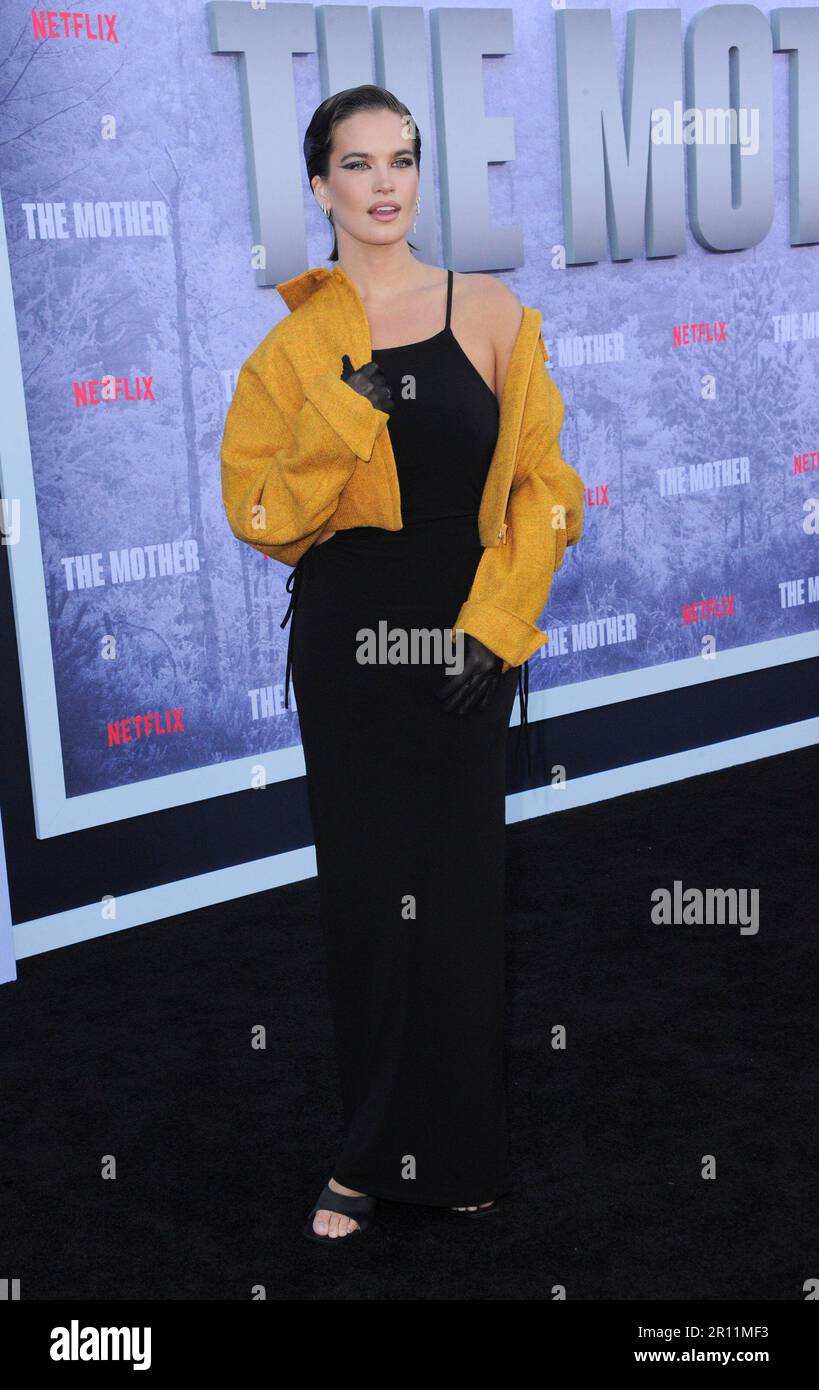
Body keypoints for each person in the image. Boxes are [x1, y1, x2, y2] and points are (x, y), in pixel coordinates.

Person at [220, 85, 584, 1241]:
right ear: (321, 187)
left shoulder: (490, 310)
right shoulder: (290, 349)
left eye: (403, 160)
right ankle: (370, 1151)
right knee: (372, 904)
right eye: (357, 163)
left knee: (467, 898)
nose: (384, 183)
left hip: (470, 633)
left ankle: (459, 1146)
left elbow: (545, 489)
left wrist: (499, 624)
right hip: (351, 647)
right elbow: (265, 511)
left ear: (419, 177)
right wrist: (344, 413)